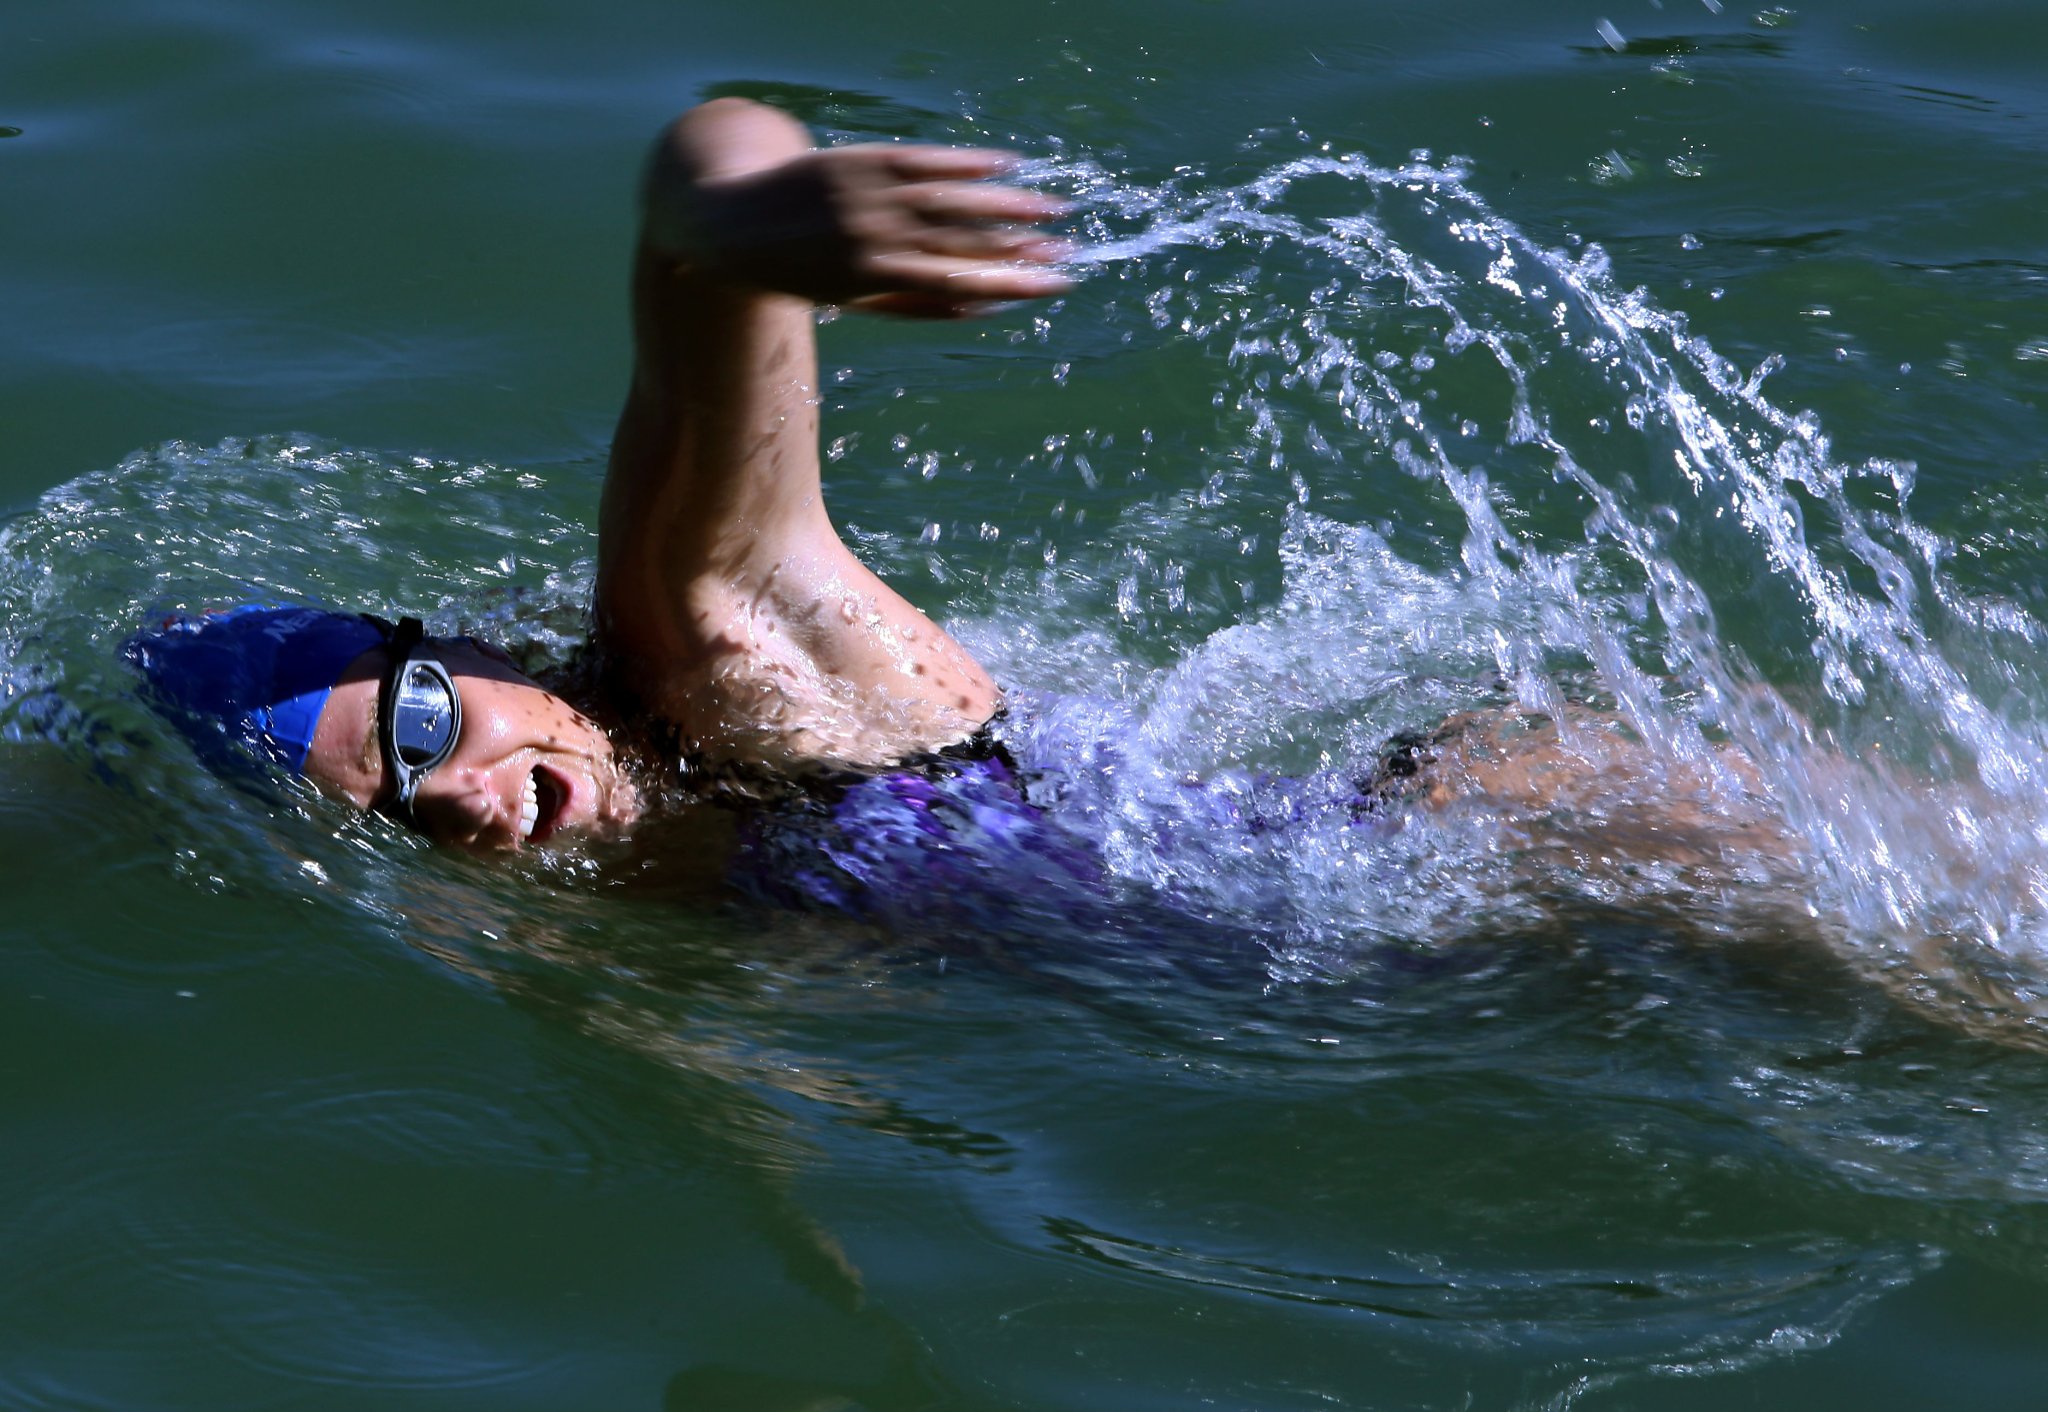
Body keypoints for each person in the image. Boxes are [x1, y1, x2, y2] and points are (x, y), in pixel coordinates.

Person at [132, 97, 1077, 853]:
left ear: (472, 652)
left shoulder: (719, 664)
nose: (458, 798)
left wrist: (731, 220)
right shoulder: (601, 890)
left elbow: (699, 183)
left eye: (421, 723)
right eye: (395, 816)